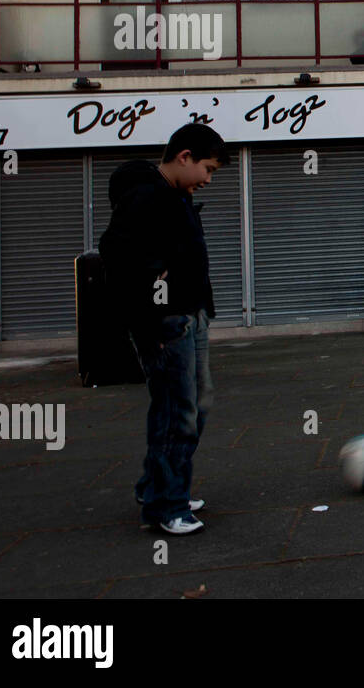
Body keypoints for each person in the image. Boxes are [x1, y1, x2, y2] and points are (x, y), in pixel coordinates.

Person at [99, 123, 229, 534]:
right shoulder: (146, 196)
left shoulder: (177, 195)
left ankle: (156, 486)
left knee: (195, 403)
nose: (208, 180)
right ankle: (168, 507)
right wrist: (153, 307)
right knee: (178, 411)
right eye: (207, 169)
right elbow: (115, 255)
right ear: (184, 157)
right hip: (166, 323)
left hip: (191, 314)